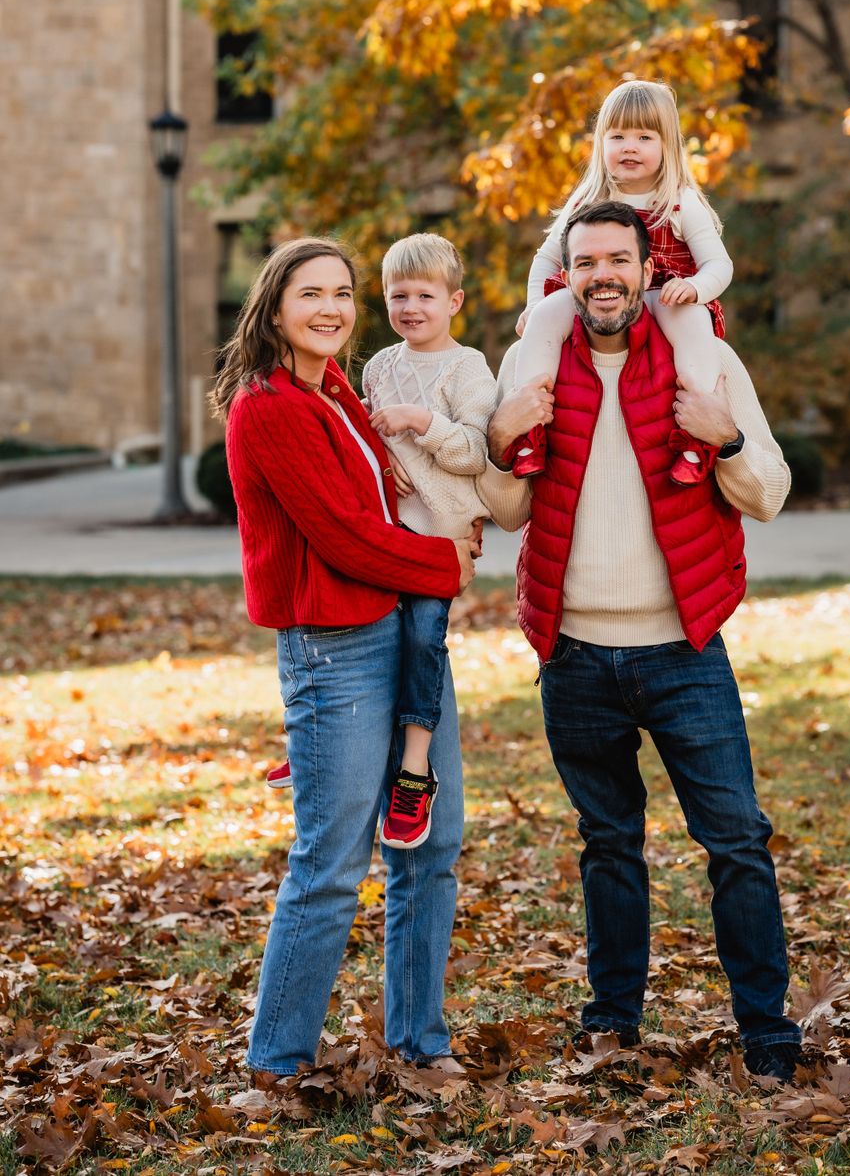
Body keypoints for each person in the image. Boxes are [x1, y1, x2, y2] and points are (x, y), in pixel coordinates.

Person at [477, 201, 804, 1083]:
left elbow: (770, 492)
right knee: (608, 843)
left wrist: (725, 439)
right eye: (586, 263)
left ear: (649, 269)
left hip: (683, 652)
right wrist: (500, 441)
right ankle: (613, 1023)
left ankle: (767, 1029)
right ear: (566, 275)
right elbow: (507, 510)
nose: (604, 277)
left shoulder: (707, 358)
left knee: (736, 840)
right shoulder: (533, 358)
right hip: (574, 656)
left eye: (619, 260)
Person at [213, 236, 478, 1075]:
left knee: (430, 848)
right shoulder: (267, 407)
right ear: (273, 309)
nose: (331, 309)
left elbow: (384, 507)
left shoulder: (334, 391)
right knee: (331, 866)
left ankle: (419, 1043)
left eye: (342, 293)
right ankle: (276, 1063)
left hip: (401, 634)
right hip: (335, 652)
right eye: (311, 294)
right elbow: (344, 538)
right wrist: (446, 563)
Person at [510, 79, 732, 484]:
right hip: (600, 298)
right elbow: (546, 258)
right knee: (544, 317)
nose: (630, 147)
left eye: (644, 137)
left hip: (666, 297)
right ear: (601, 143)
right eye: (618, 136)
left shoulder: (680, 201)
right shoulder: (587, 199)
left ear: (667, 145)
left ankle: (695, 439)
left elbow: (719, 265)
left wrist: (695, 288)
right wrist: (533, 305)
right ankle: (529, 430)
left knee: (692, 320)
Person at [362, 233, 497, 848]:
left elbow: (476, 452)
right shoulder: (379, 367)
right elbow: (366, 436)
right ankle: (329, 741)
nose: (411, 307)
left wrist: (421, 422)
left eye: (425, 295)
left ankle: (414, 771)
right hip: (384, 530)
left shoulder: (466, 368)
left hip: (438, 536)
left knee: (422, 640)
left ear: (454, 301)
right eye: (399, 296)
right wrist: (381, 456)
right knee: (363, 639)